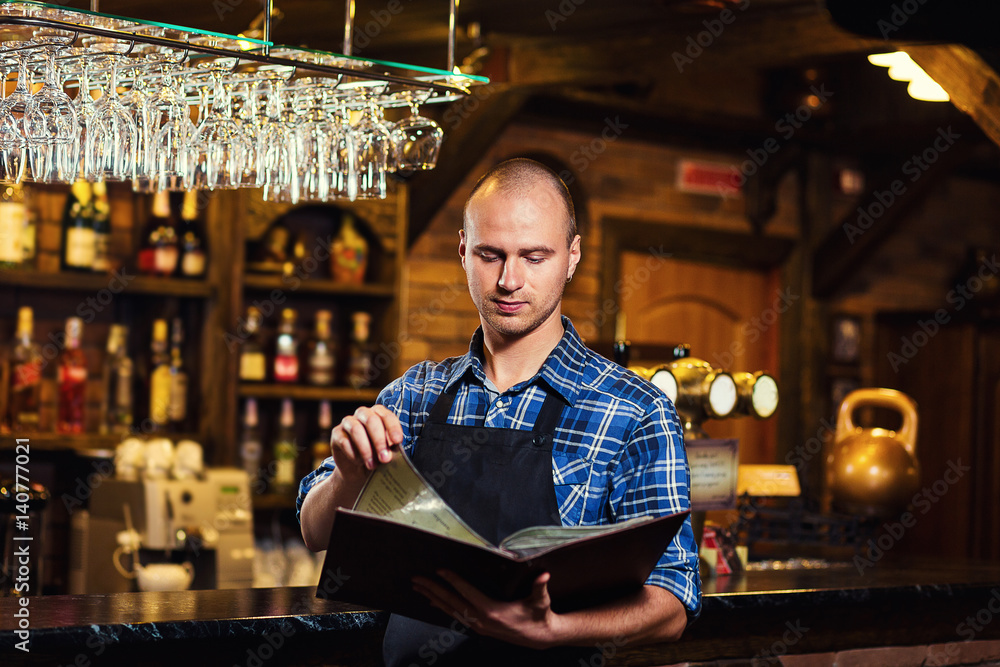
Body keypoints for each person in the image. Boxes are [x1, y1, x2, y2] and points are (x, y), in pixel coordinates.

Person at [297, 157, 701, 665]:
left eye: (535, 257)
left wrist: (554, 630)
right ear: (464, 251)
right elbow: (314, 533)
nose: (510, 280)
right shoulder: (414, 395)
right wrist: (349, 478)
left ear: (572, 257)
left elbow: (674, 602)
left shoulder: (636, 412)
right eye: (492, 254)